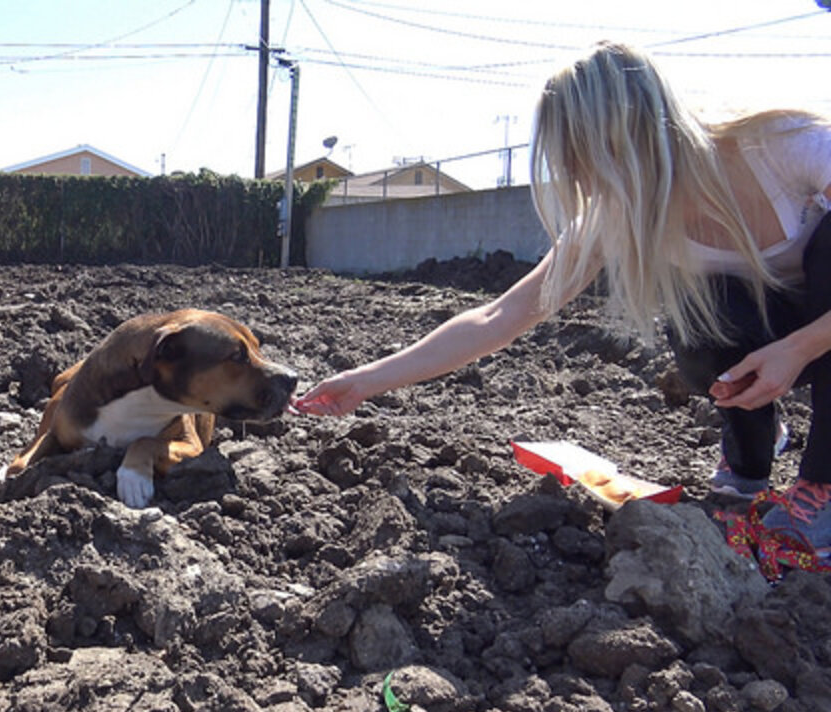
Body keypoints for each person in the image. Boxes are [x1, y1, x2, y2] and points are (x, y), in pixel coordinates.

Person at [293, 41, 831, 554]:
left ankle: (822, 484)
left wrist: (802, 347)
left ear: (627, 137)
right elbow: (496, 318)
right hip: (775, 342)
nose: (581, 179)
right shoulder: (615, 214)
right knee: (702, 316)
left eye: (584, 158)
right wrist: (363, 381)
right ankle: (749, 462)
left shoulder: (784, 147)